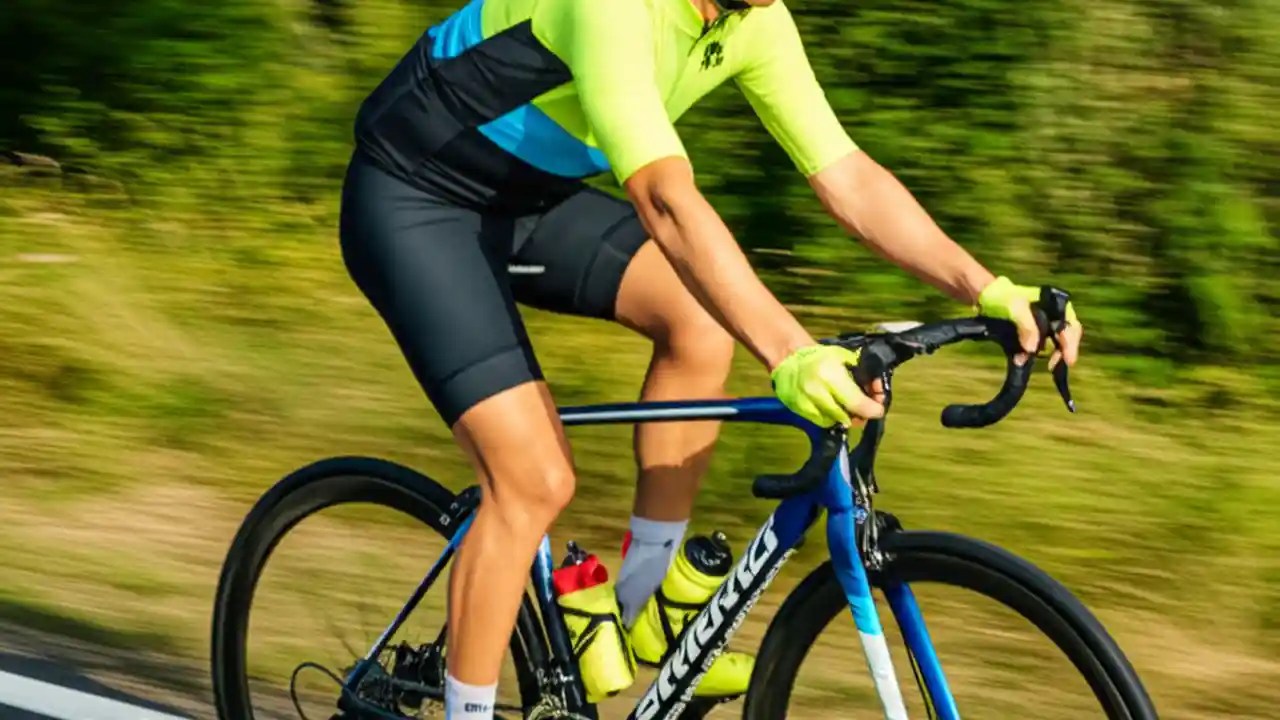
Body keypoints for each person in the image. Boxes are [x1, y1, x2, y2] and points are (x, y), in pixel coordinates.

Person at [338, 0, 1083, 716]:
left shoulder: (756, 21)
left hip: (529, 202)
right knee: (532, 480)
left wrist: (985, 286)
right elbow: (662, 198)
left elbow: (847, 177)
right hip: (415, 196)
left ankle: (635, 616)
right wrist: (790, 352)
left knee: (700, 324)